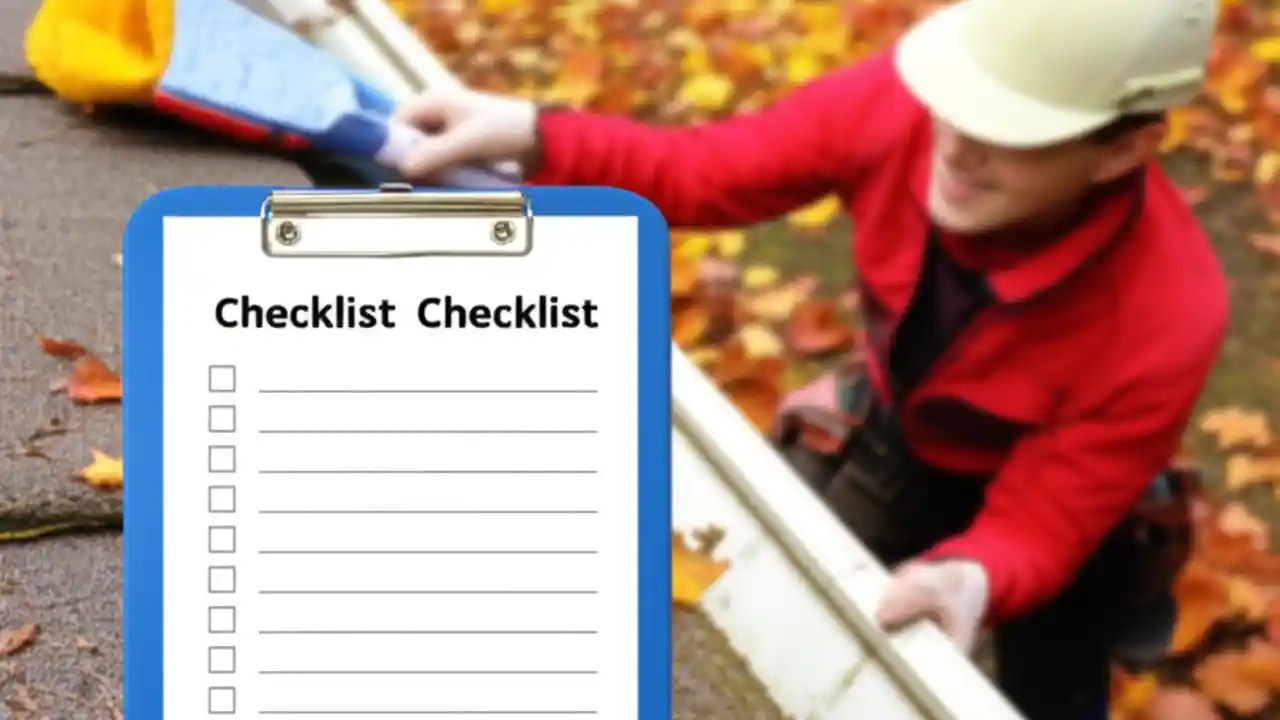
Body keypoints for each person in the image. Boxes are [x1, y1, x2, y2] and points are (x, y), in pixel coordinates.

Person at [393, 0, 1229, 717]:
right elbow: (708, 171)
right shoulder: (900, 108)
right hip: (905, 432)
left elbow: (1048, 515)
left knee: (1049, 683)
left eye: (1012, 130)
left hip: (1068, 492)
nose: (957, 145)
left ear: (1123, 150)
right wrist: (537, 137)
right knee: (793, 616)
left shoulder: (1168, 313)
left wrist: (978, 575)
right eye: (960, 101)